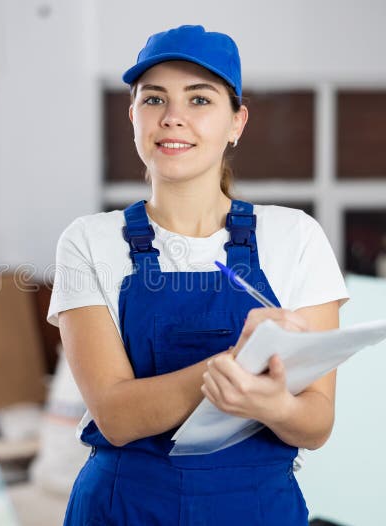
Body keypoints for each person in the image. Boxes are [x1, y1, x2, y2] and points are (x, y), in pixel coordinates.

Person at [47, 24, 349, 525]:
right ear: (133, 116)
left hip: (255, 508)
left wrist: (276, 406)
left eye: (200, 100)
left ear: (237, 122)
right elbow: (117, 418)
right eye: (154, 100)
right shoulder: (88, 241)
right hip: (126, 507)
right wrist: (237, 365)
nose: (172, 118)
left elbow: (316, 424)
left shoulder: (296, 238)